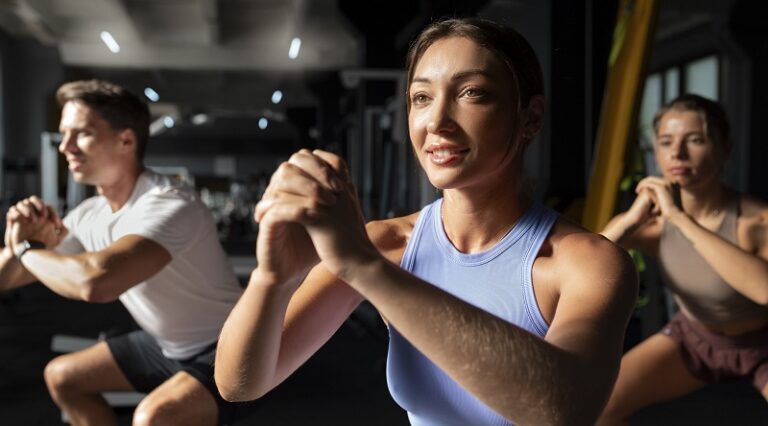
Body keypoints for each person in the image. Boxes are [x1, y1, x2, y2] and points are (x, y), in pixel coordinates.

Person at [215, 17, 638, 425]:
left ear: (530, 117)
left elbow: (563, 409)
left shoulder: (588, 263)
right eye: (421, 97)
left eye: (471, 92)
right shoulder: (386, 246)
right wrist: (273, 280)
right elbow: (240, 384)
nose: (436, 122)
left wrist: (366, 268)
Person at [0, 80, 244, 426]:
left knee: (152, 418)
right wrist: (18, 240)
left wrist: (27, 251)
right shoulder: (89, 213)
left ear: (126, 140)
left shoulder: (169, 203)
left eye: (81, 134)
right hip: (164, 344)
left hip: (228, 347)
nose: (66, 147)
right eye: (64, 134)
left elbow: (97, 281)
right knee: (63, 376)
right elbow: (8, 277)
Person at [597, 94, 768, 424]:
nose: (677, 153)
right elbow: (591, 256)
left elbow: (764, 291)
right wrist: (631, 218)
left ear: (725, 148)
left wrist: (678, 217)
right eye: (665, 142)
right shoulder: (655, 225)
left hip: (762, 344)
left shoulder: (757, 222)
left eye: (695, 139)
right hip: (694, 338)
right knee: (595, 405)